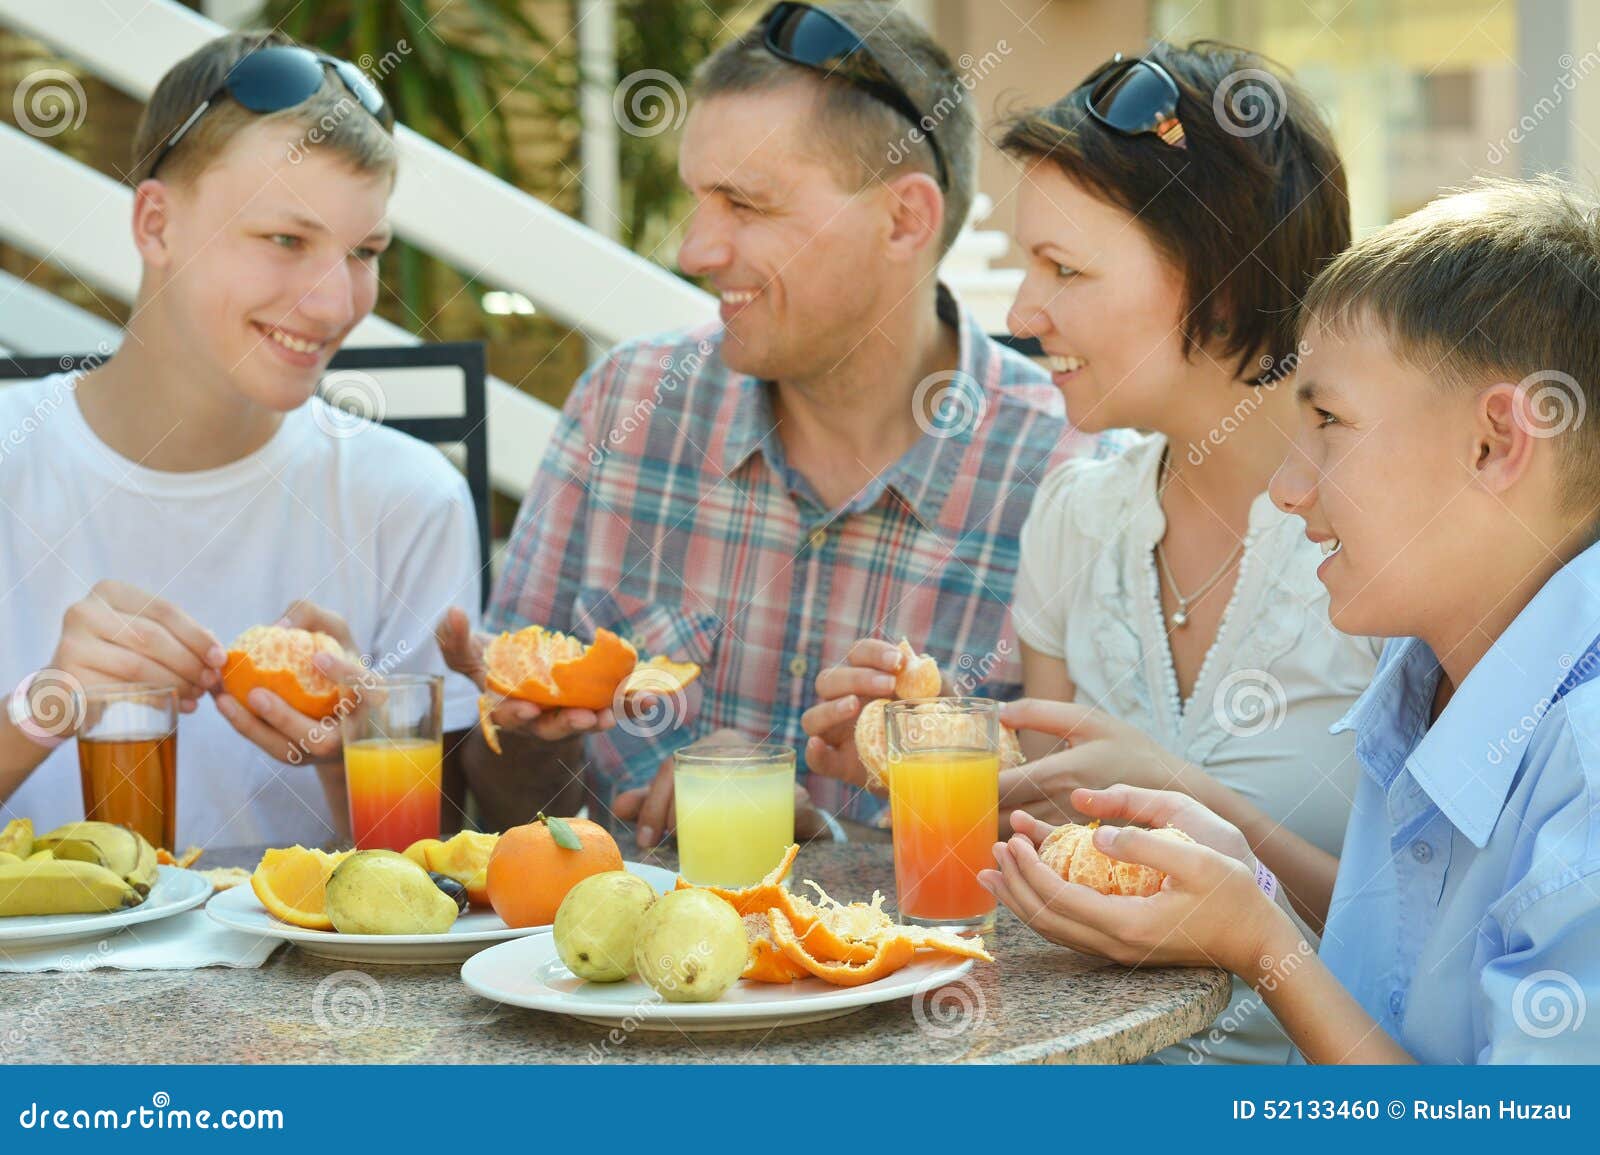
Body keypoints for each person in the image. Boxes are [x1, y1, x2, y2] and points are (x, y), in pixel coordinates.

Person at [806, 43, 1376, 1064]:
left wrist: (1191, 801)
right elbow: (1051, 855)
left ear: (1220, 277)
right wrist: (935, 764)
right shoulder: (1078, 516)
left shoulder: (1393, 535)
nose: (1022, 316)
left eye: (1064, 269)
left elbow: (1435, 943)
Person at [439, 1, 1093, 844]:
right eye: (699, 200)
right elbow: (506, 809)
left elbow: (1082, 851)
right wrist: (528, 729)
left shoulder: (1069, 477)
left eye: (745, 205)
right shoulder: (625, 407)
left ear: (904, 219)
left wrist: (826, 841)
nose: (695, 250)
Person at [983, 178, 1600, 1063]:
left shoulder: (1587, 764)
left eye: (1329, 421)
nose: (1286, 486)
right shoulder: (1418, 675)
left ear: (1494, 441)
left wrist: (1261, 944)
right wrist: (1248, 877)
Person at [0, 31, 480, 846]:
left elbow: (434, 876)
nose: (335, 305)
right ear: (157, 225)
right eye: (286, 240)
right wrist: (37, 709)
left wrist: (353, 756)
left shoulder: (410, 499)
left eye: (363, 252)